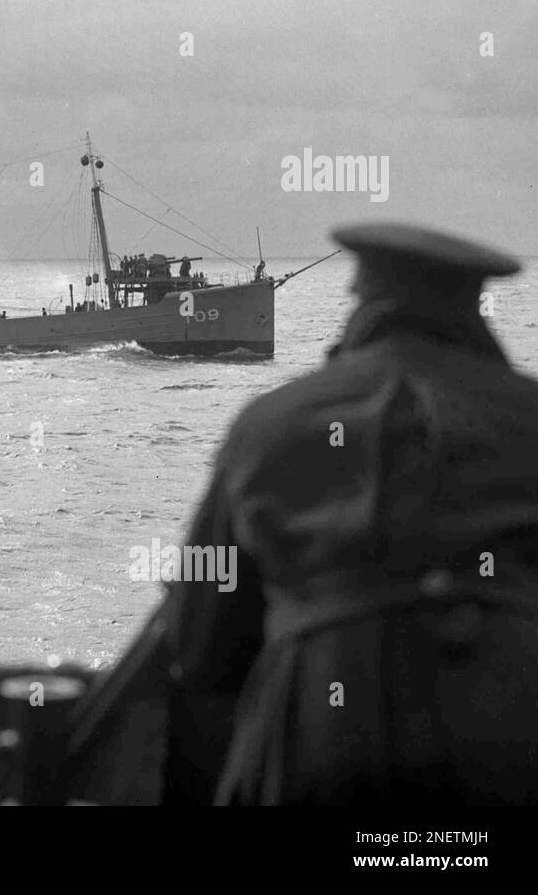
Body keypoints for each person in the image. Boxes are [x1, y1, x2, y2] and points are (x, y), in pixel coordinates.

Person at [63, 221, 538, 805]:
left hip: (316, 755)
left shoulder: (270, 424)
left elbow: (199, 648)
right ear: (476, 309)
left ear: (362, 301)